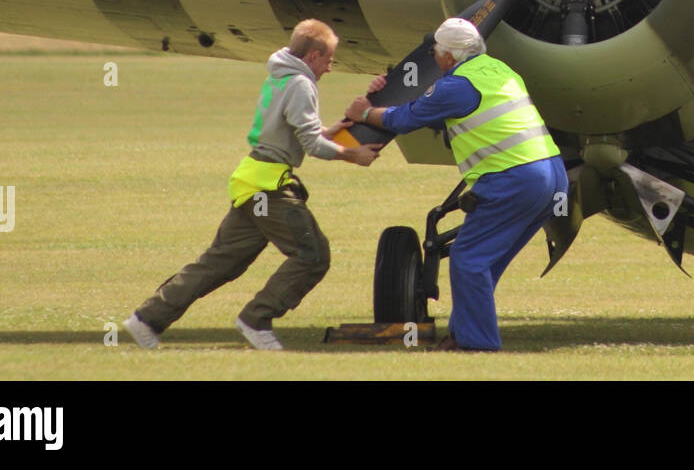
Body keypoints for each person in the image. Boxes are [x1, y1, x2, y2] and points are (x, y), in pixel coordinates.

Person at [123, 18, 380, 351]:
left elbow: (296, 133)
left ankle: (146, 319)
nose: (329, 68)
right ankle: (256, 319)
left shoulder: (279, 76)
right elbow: (313, 146)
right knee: (312, 255)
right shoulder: (301, 84)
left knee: (219, 262)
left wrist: (332, 131)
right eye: (329, 60)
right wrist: (352, 154)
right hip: (269, 187)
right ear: (314, 55)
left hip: (251, 180)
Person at [346, 17, 567, 352]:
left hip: (514, 177)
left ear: (449, 57)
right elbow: (442, 114)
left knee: (469, 258)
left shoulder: (455, 86)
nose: (434, 55)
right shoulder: (497, 69)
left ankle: (477, 343)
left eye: (436, 50)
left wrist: (365, 112)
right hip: (552, 176)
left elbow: (403, 119)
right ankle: (462, 334)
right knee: (485, 261)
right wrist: (388, 88)